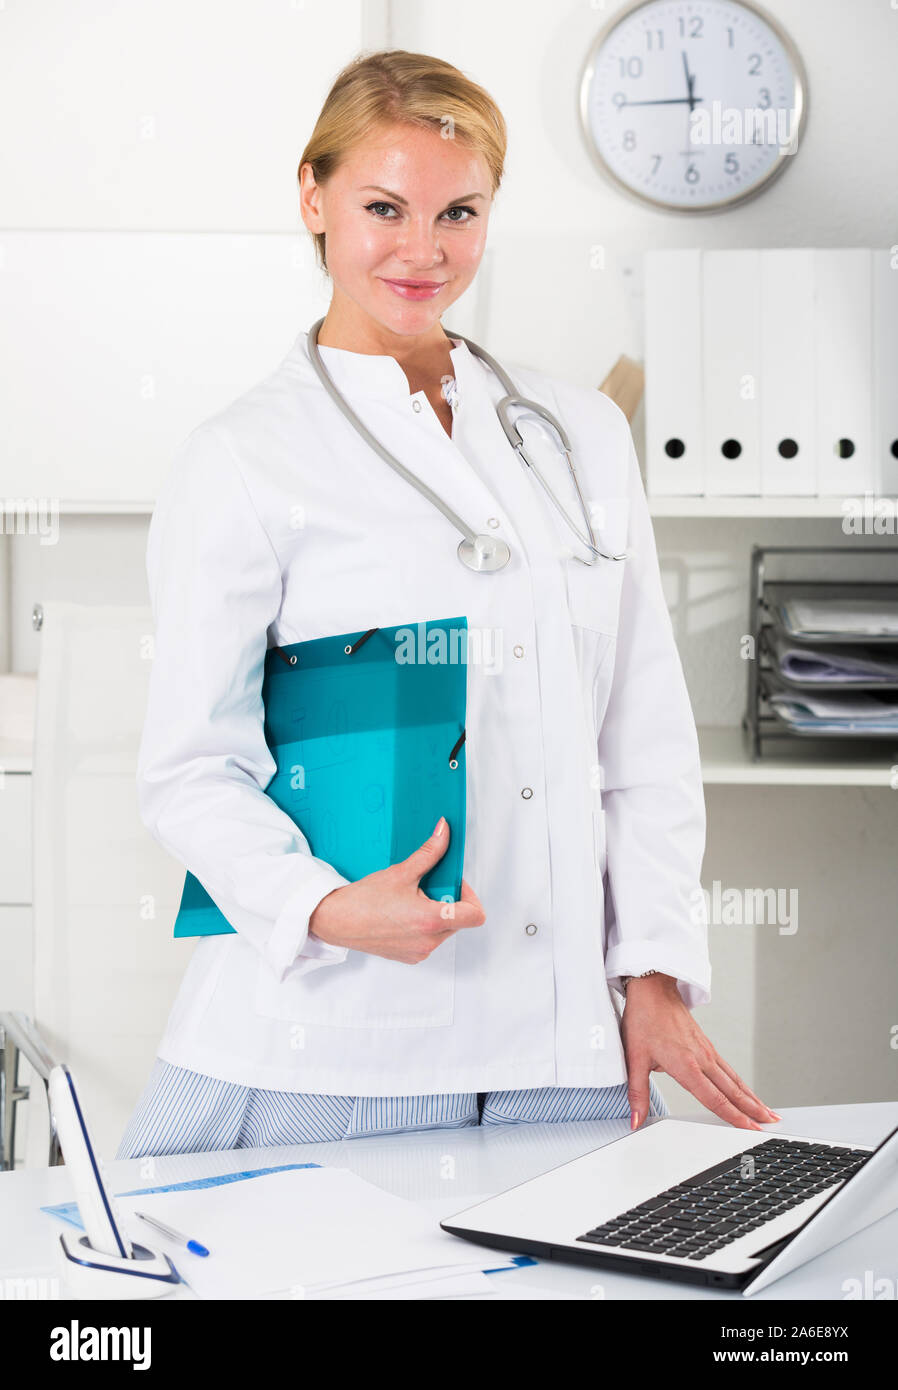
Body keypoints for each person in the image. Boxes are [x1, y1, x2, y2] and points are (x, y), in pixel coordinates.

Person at [117, 49, 779, 1159]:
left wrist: (652, 970)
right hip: (335, 1033)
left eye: (458, 213)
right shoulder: (241, 457)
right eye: (384, 207)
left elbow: (644, 739)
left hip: (562, 1042)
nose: (422, 251)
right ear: (311, 196)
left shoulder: (579, 435)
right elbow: (190, 768)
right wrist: (325, 909)